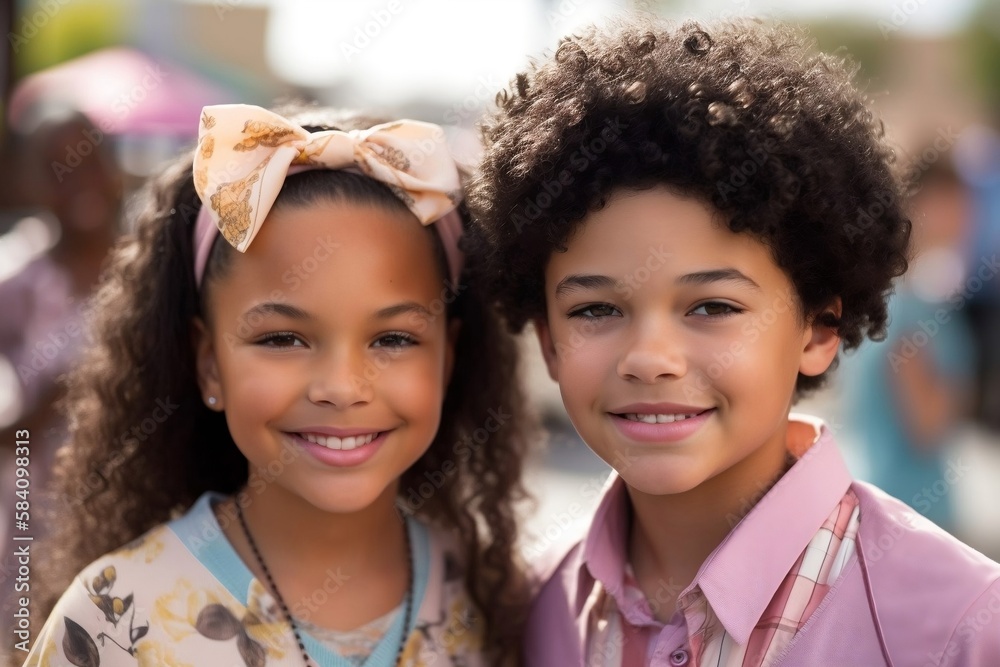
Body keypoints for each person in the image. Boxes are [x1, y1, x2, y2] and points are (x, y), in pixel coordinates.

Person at [467, 16, 1000, 666]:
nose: (650, 359)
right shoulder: (529, 609)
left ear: (819, 329)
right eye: (596, 309)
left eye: (713, 306)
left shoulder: (963, 629)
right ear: (548, 341)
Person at [22, 103, 530, 667]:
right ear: (209, 363)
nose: (342, 387)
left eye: (393, 339)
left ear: (447, 360)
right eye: (283, 339)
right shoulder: (111, 623)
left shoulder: (495, 603)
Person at [841, 157, 976, 533]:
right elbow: (927, 423)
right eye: (955, 202)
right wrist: (962, 389)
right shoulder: (912, 310)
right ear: (922, 205)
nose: (968, 217)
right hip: (914, 515)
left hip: (876, 502)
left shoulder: (878, 298)